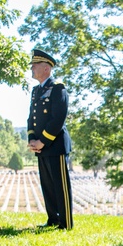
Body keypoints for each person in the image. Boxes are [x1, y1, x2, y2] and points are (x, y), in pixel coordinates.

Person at [27, 49, 73, 229]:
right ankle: (53, 219)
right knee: (47, 185)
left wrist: (42, 141)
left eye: (35, 65)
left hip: (55, 145)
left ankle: (66, 223)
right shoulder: (36, 91)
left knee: (60, 186)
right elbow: (31, 118)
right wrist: (32, 139)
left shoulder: (57, 88)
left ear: (46, 68)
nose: (32, 68)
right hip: (41, 146)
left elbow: (58, 118)